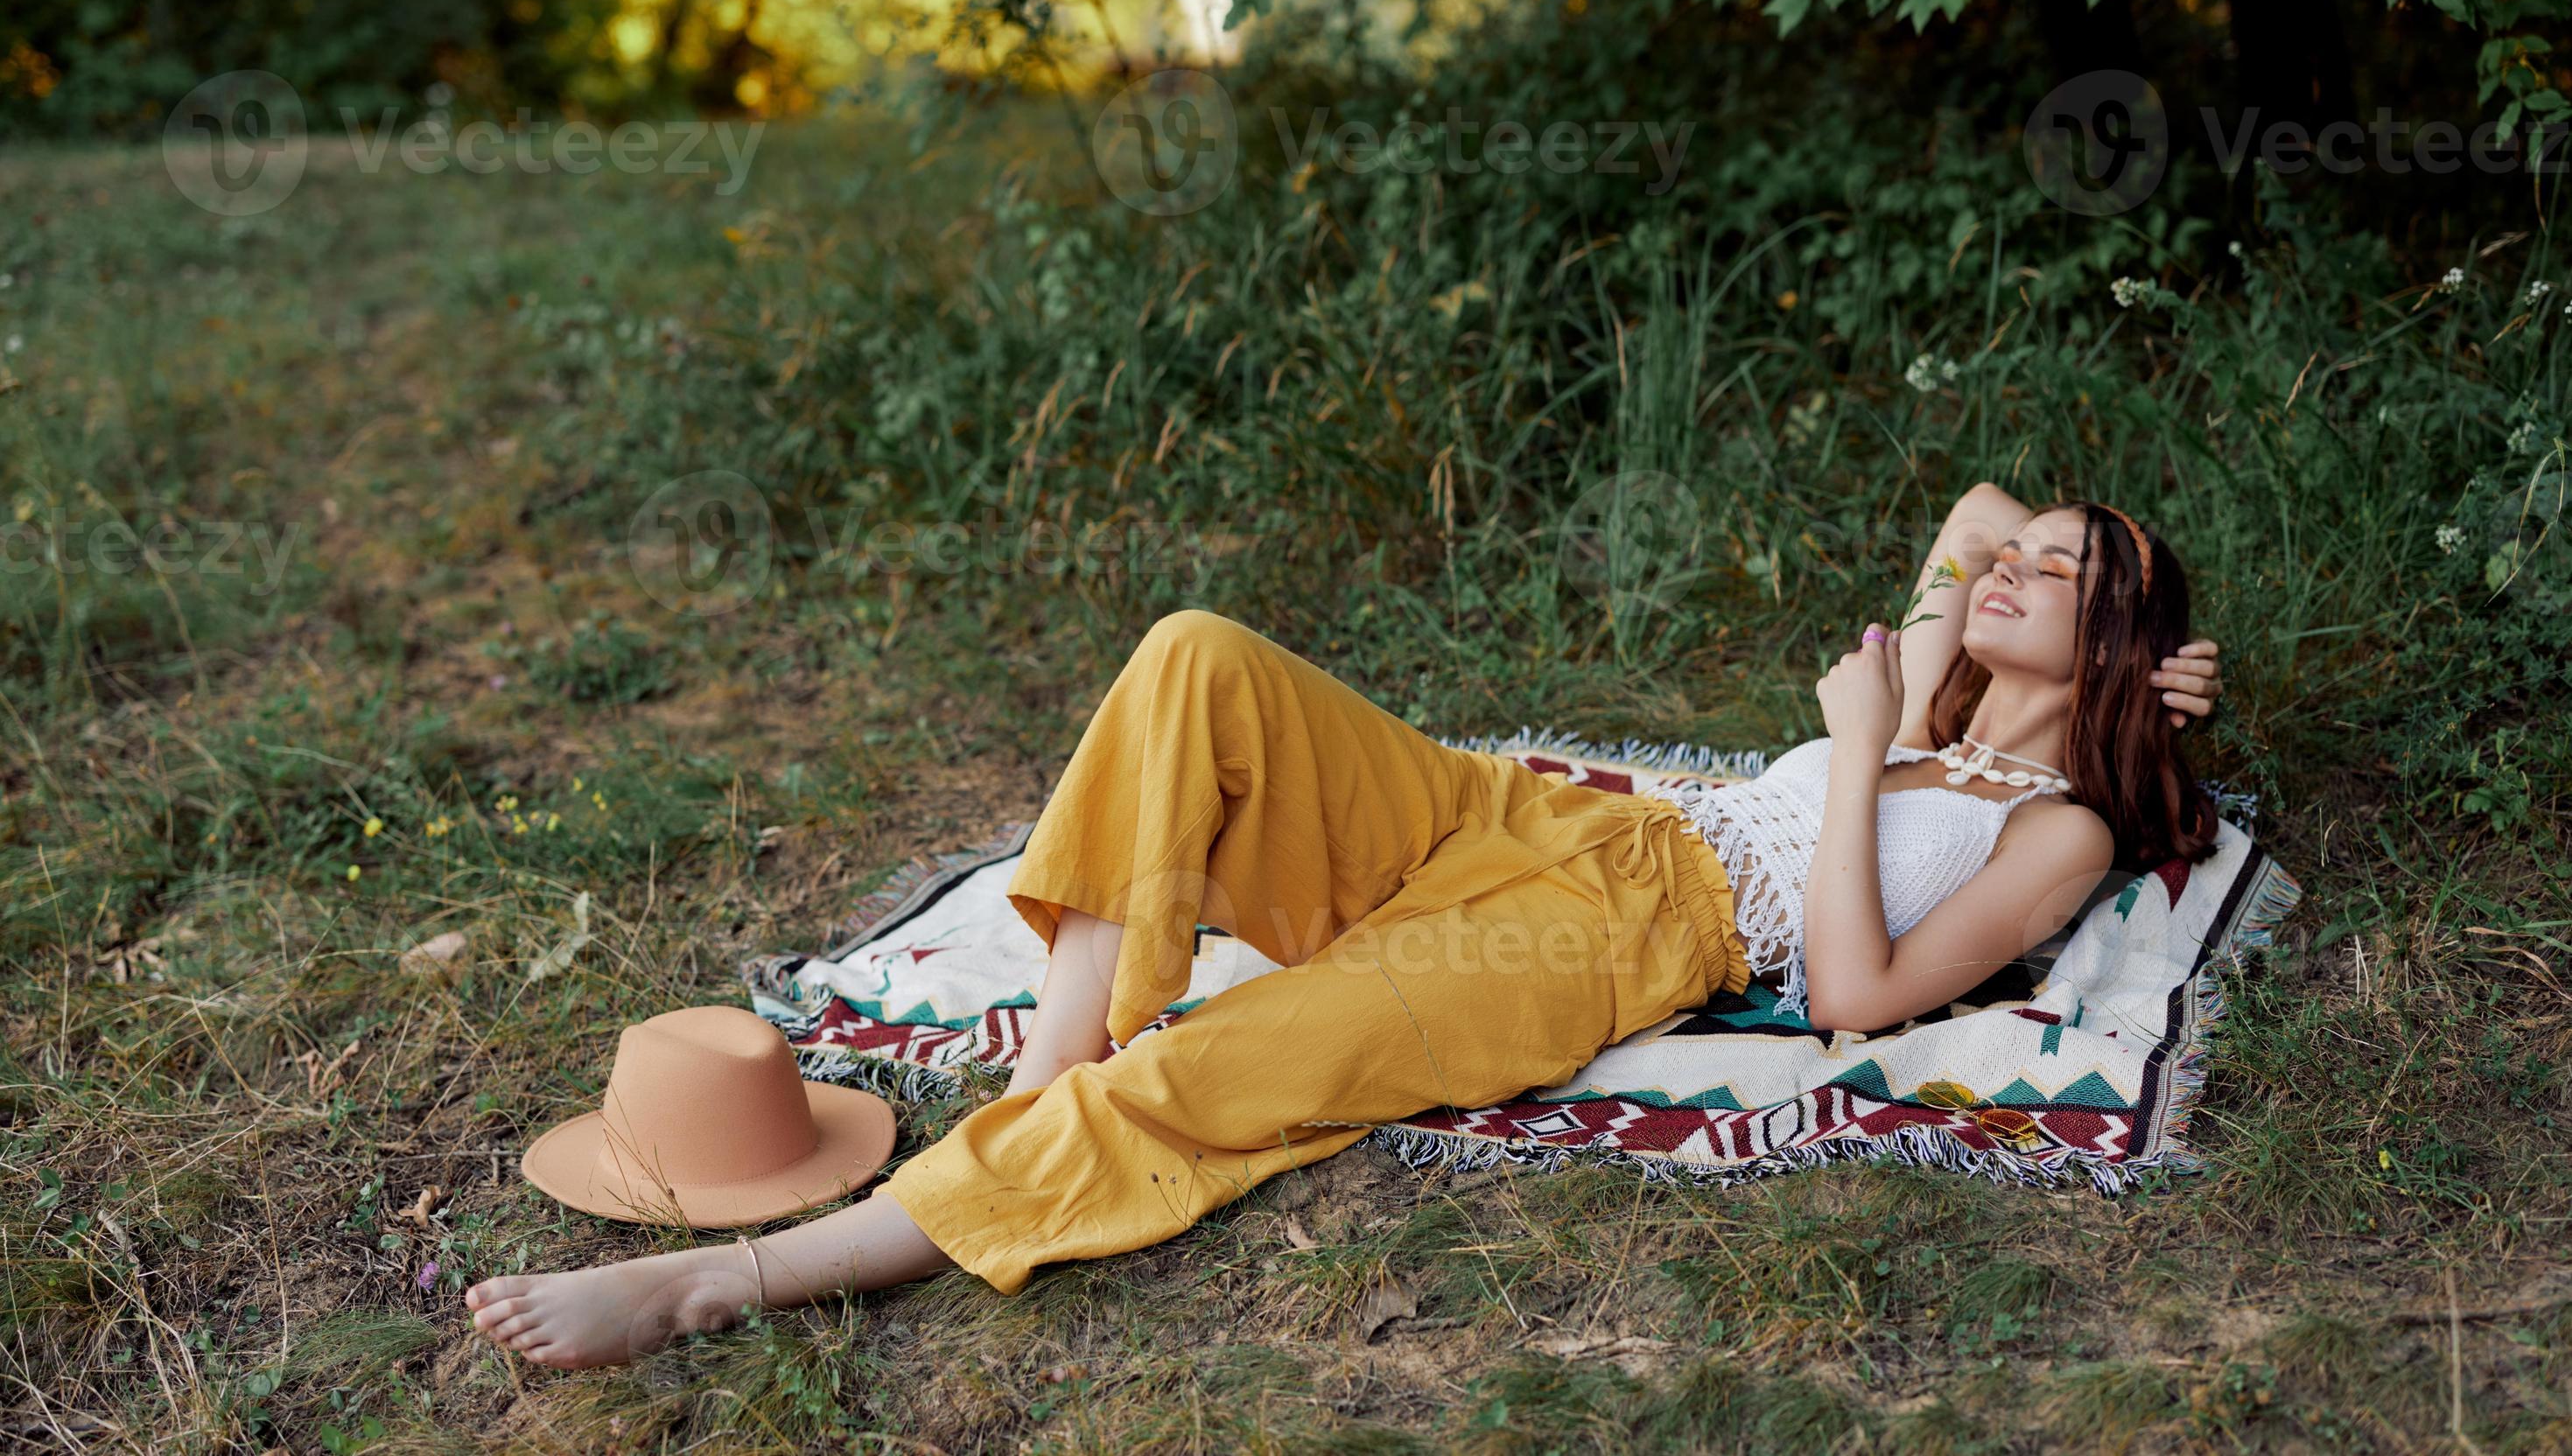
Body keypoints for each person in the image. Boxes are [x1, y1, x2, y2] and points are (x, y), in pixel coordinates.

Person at [465, 483, 2223, 1368]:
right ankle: (1047, 1071)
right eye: (2029, 561)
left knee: (1234, 1063)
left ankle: (728, 1276)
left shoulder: (2047, 823)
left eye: (2070, 577)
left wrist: (1855, 763)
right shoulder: (1926, 675)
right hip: (1535, 814)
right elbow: (1982, 504)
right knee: (1196, 657)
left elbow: (1853, 992)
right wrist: (2108, 622)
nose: (2012, 571)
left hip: (1631, 935)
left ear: (2117, 644)